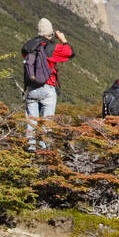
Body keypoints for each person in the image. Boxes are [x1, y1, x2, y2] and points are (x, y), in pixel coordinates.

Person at [22, 17, 74, 149]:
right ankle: (44, 150)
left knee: (31, 122)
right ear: (50, 34)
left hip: (32, 88)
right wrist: (63, 40)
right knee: (47, 123)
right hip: (47, 88)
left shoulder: (28, 46)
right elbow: (70, 53)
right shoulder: (52, 47)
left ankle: (30, 149)